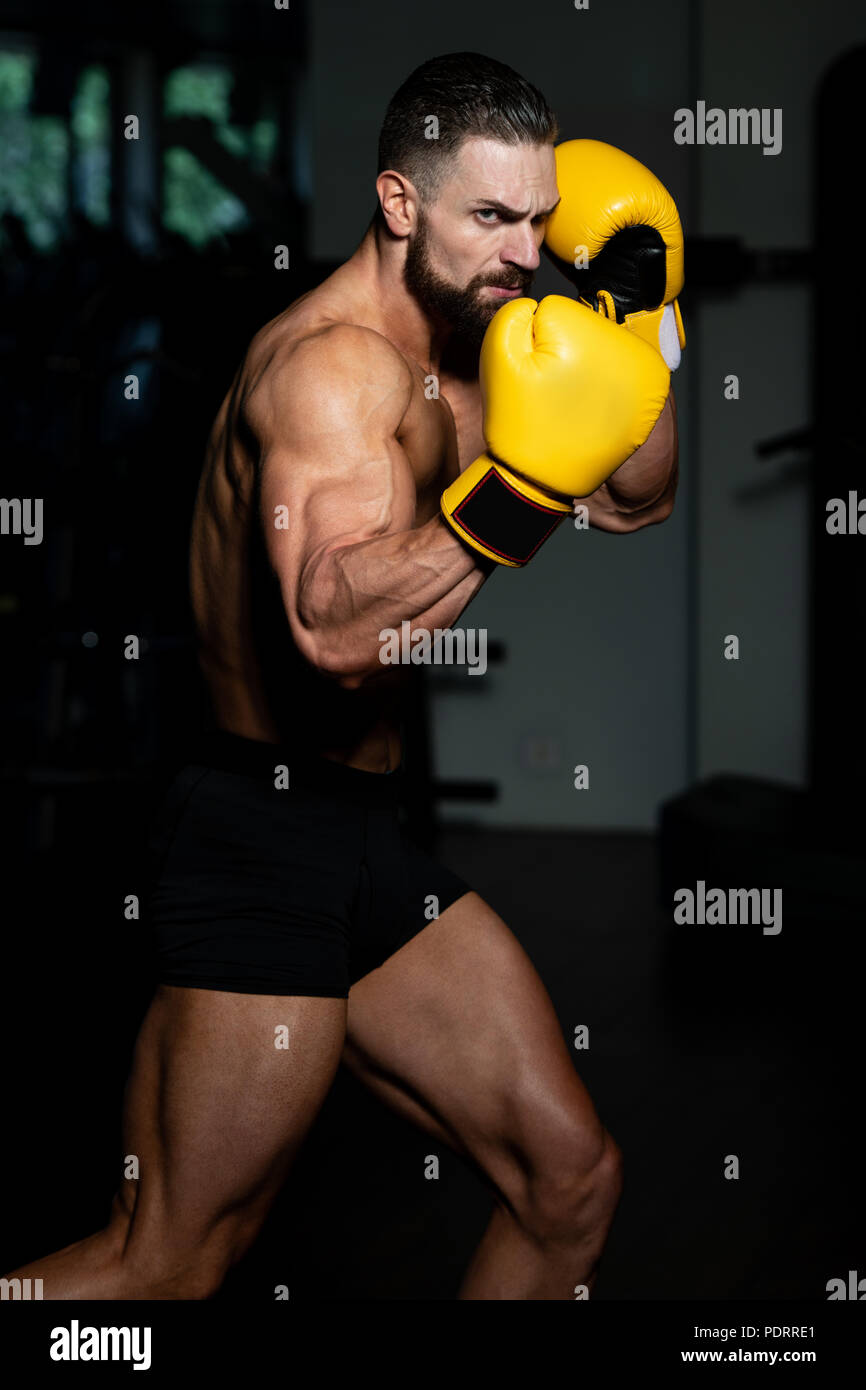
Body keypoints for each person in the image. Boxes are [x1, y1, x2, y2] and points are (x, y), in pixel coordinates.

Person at [4, 50, 681, 1300]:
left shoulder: (486, 345)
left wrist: (640, 308)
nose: (524, 252)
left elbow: (641, 494)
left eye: (539, 219)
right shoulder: (325, 370)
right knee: (163, 1266)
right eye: (490, 217)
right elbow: (330, 629)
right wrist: (517, 495)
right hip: (255, 839)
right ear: (398, 202)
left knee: (567, 1183)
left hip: (362, 836)